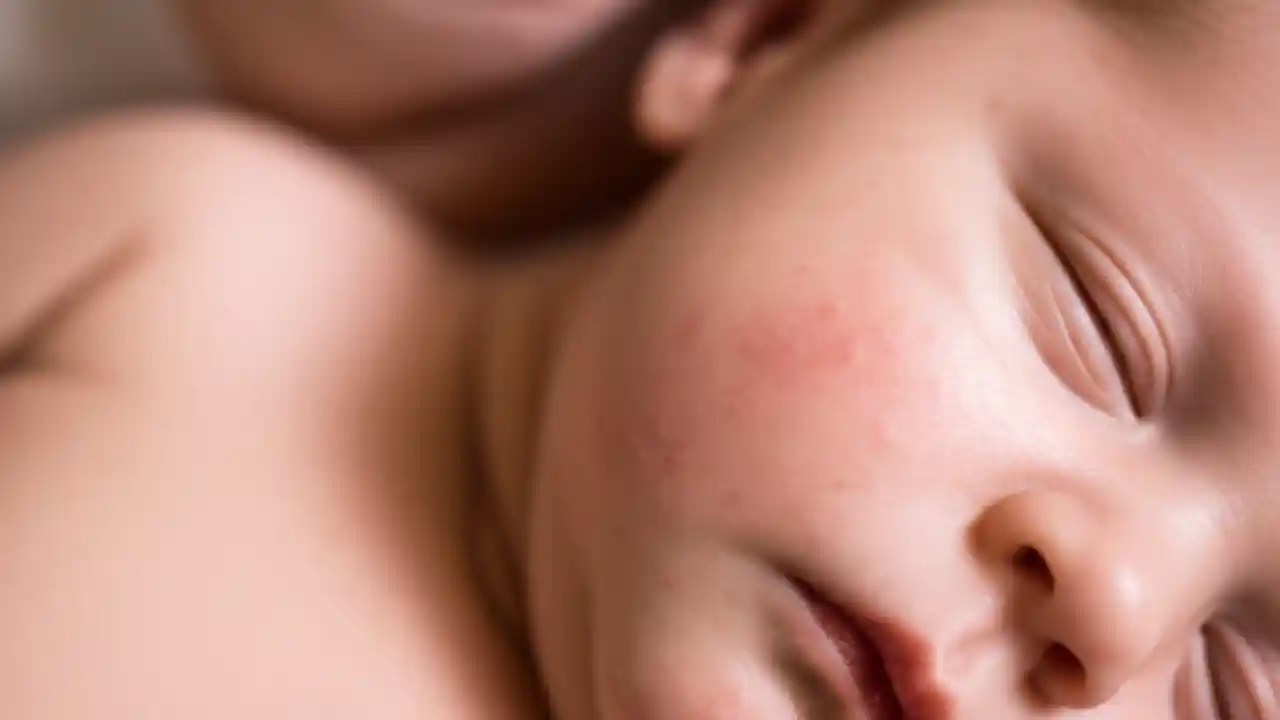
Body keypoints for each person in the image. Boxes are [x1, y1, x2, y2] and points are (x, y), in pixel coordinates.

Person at [1, 1, 1278, 718]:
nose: (1113, 611)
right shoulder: (212, 275)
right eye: (1105, 333)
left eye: (1230, 695)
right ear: (762, 45)